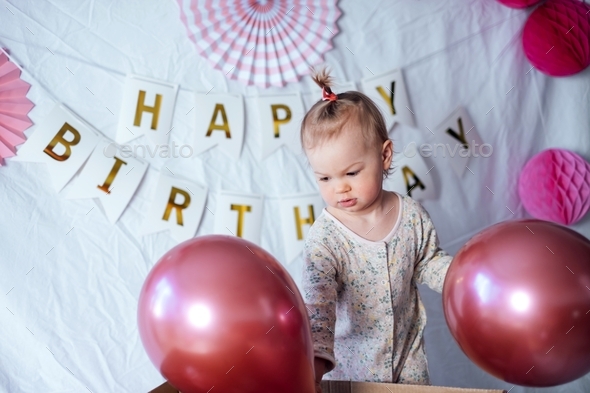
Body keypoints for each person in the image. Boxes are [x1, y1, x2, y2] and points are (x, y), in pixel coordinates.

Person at [300, 68, 453, 393]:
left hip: (408, 361)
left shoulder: (410, 214)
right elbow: (319, 304)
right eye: (325, 178)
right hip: (352, 369)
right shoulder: (326, 239)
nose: (339, 188)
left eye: (352, 172)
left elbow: (427, 261)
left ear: (384, 156)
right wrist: (314, 363)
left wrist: (461, 276)